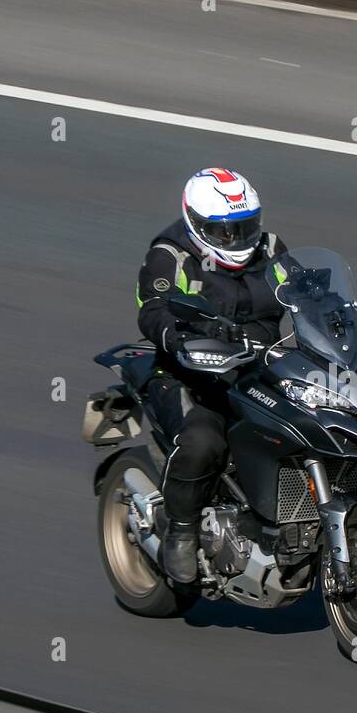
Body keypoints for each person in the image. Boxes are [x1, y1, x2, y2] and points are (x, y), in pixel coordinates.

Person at [134, 168, 288, 583]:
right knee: (204, 440)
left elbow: (307, 289)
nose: (237, 240)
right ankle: (180, 532)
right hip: (187, 372)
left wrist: (348, 318)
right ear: (196, 225)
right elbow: (152, 309)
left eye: (245, 227)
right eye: (225, 232)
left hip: (253, 364)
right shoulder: (170, 254)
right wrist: (185, 337)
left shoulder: (270, 248)